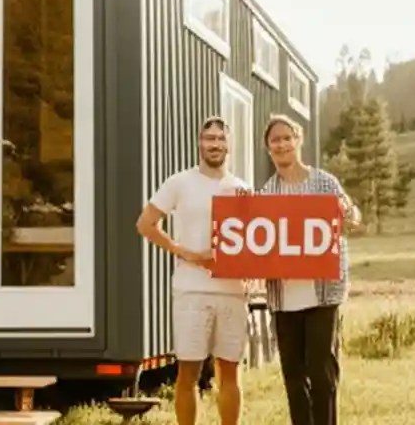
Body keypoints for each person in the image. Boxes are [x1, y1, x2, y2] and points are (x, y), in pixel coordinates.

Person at [135, 116, 252, 425]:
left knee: (230, 370)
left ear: (229, 144)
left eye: (220, 139)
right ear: (200, 143)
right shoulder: (179, 182)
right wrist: (184, 252)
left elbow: (254, 241)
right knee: (189, 371)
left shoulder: (242, 189)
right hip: (191, 289)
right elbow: (145, 224)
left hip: (232, 291)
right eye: (209, 138)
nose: (214, 144)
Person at [257, 113, 362, 425]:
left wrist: (350, 214)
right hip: (284, 297)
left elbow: (351, 215)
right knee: (293, 376)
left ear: (298, 140)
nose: (282, 144)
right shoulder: (267, 193)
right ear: (268, 148)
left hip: (322, 294)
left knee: (321, 372)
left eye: (287, 138)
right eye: (275, 140)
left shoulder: (324, 182)